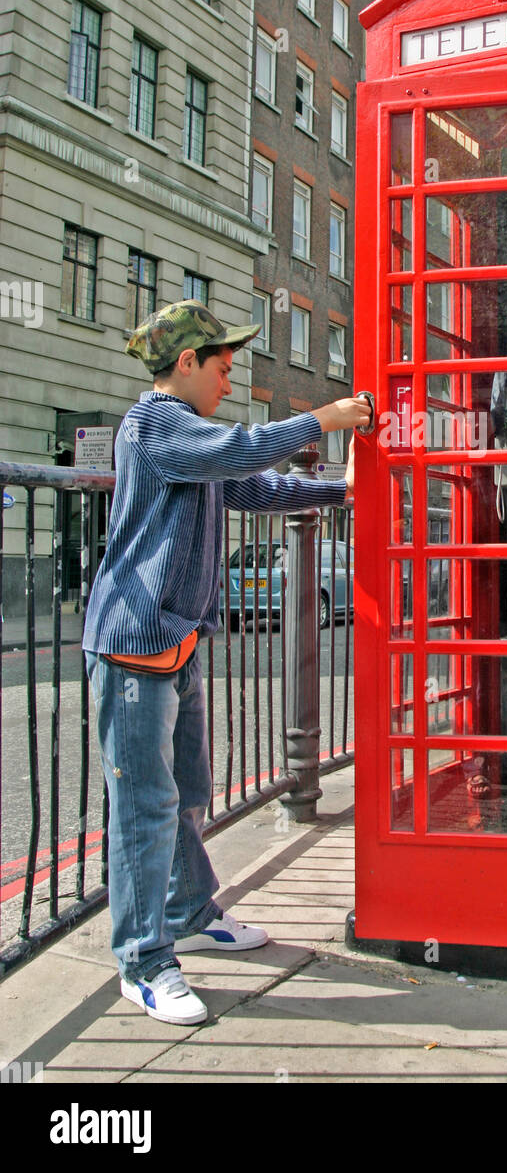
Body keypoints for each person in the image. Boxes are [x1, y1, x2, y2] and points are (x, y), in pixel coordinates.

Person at [82, 299, 371, 1026]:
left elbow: (252, 485)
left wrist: (340, 490)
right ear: (186, 364)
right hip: (133, 644)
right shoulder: (154, 425)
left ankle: (189, 910)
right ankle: (144, 964)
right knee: (146, 808)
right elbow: (239, 452)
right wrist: (322, 422)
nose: (230, 371)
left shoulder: (193, 436)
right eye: (221, 361)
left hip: (174, 642)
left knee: (187, 792)